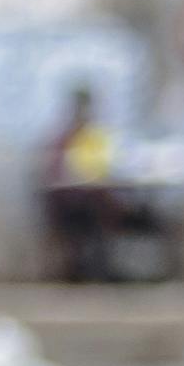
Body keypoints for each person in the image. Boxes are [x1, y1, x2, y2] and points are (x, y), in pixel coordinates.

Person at [40, 78, 122, 291]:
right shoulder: (64, 137)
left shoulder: (96, 136)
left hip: (93, 199)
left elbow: (104, 167)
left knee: (105, 211)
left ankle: (100, 272)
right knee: (85, 218)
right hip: (69, 203)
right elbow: (56, 173)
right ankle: (81, 272)